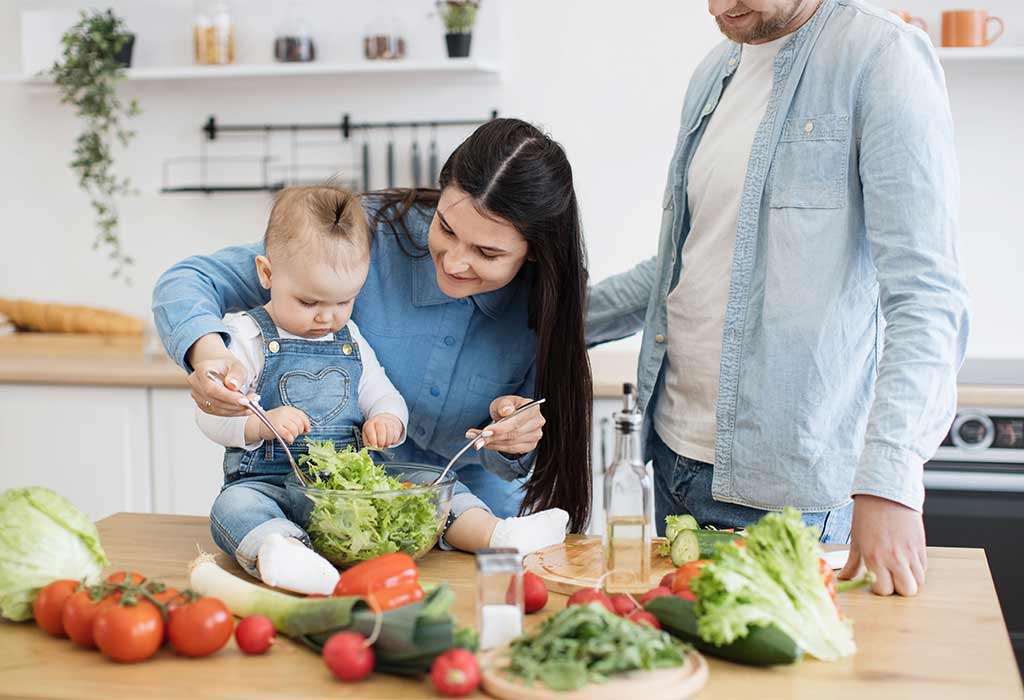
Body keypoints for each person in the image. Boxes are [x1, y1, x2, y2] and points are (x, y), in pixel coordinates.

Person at [587, 0, 968, 597]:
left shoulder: (881, 58)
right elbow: (681, 264)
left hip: (789, 490)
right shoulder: (715, 71)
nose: (720, 6)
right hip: (674, 461)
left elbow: (926, 295)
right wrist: (543, 314)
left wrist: (890, 482)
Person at [153, 118, 593, 555]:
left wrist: (514, 440)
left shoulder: (544, 301)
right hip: (338, 502)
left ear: (533, 253)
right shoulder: (363, 237)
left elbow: (508, 465)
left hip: (471, 508)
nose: (454, 262)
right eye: (446, 228)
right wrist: (209, 355)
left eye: (487, 253)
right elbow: (189, 281)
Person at [196, 185, 408, 594]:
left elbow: (383, 393)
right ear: (267, 273)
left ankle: (497, 532)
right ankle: (284, 551)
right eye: (309, 303)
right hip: (268, 488)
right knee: (233, 508)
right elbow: (210, 414)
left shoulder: (350, 338)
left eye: (344, 302)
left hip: (342, 494)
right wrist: (260, 424)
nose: (327, 318)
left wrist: (388, 418)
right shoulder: (245, 335)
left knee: (428, 492)